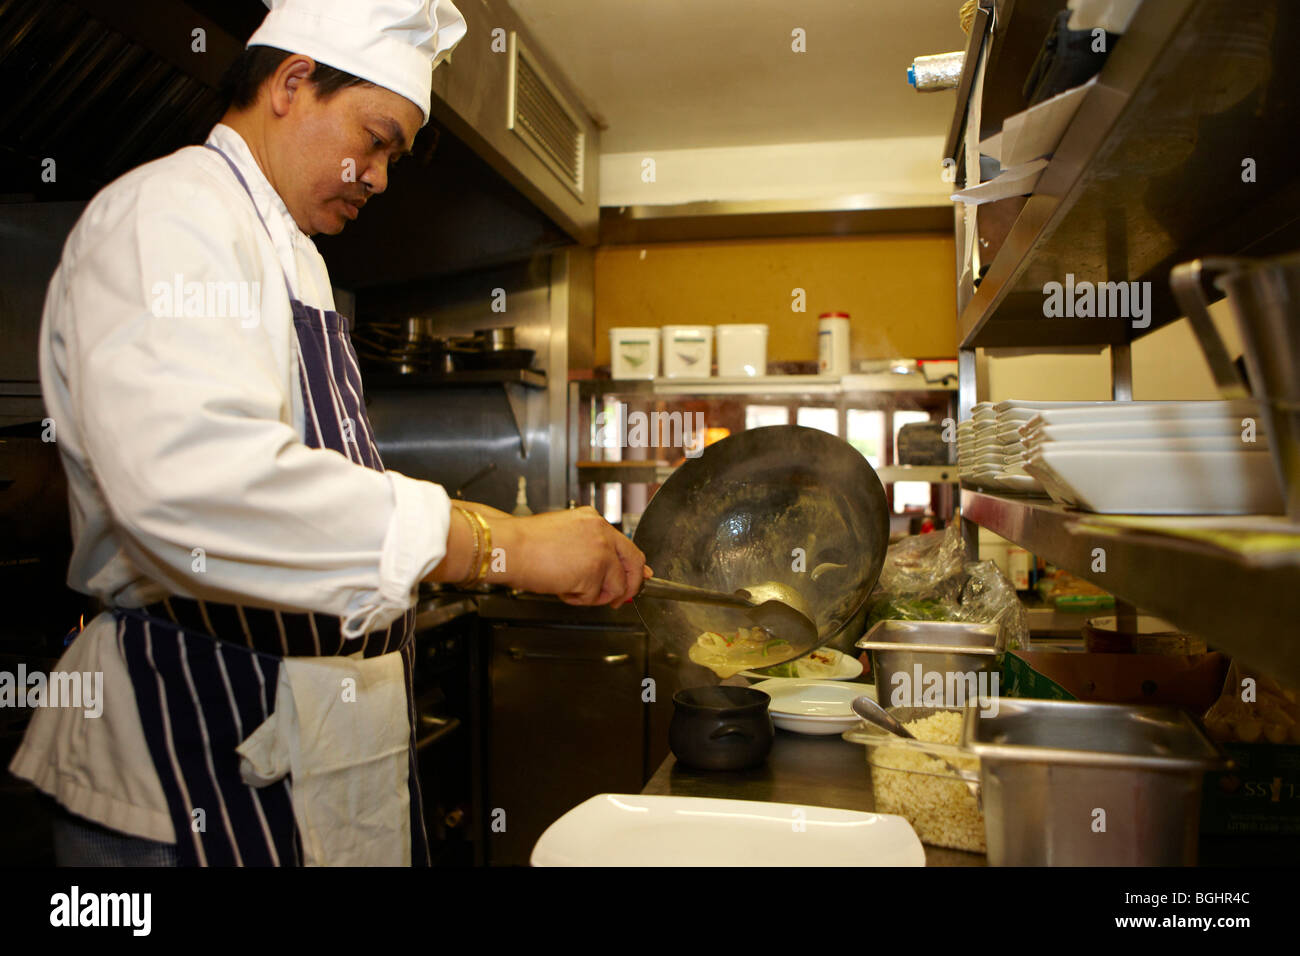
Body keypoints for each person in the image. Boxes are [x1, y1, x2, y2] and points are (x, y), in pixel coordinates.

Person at [10, 0, 648, 867]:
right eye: (376, 138)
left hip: (303, 756)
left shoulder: (296, 258)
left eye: (393, 155)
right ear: (292, 82)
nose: (380, 177)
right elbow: (197, 487)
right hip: (189, 758)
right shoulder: (172, 213)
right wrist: (507, 547)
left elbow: (314, 492)